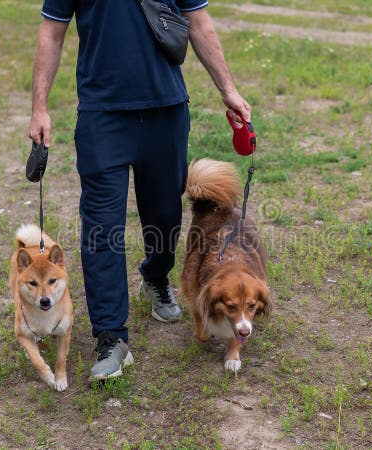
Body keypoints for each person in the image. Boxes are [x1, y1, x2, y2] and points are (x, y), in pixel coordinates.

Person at [28, 0, 251, 381]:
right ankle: (111, 336)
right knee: (101, 228)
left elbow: (198, 22)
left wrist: (227, 89)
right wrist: (40, 107)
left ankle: (156, 275)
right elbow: (52, 32)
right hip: (102, 117)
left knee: (165, 213)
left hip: (166, 111)